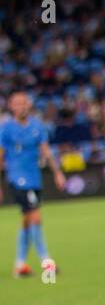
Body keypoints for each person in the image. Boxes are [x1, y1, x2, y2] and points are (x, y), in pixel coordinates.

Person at [0, 92, 64, 278]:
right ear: (11, 107)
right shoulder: (6, 129)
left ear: (29, 105)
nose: (21, 106)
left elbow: (46, 151)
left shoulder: (37, 126)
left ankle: (19, 265)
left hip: (34, 178)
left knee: (27, 221)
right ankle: (47, 263)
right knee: (35, 216)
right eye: (17, 104)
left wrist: (57, 172)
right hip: (17, 179)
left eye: (24, 103)